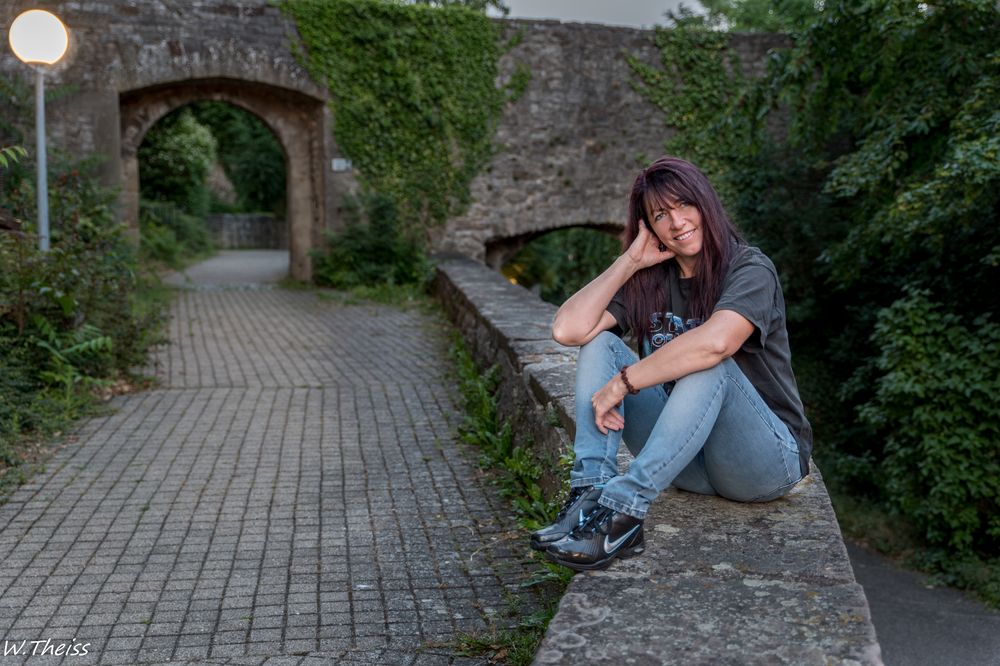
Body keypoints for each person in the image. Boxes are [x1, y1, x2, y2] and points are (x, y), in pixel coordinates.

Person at [531, 155, 812, 571]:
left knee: (707, 361)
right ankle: (589, 495)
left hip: (763, 462)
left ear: (705, 205)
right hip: (686, 461)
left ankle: (623, 513)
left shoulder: (749, 267)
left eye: (684, 205)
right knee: (598, 344)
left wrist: (624, 383)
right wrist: (630, 261)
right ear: (649, 227)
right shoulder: (652, 281)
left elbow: (716, 343)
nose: (677, 222)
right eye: (661, 215)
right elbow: (568, 330)